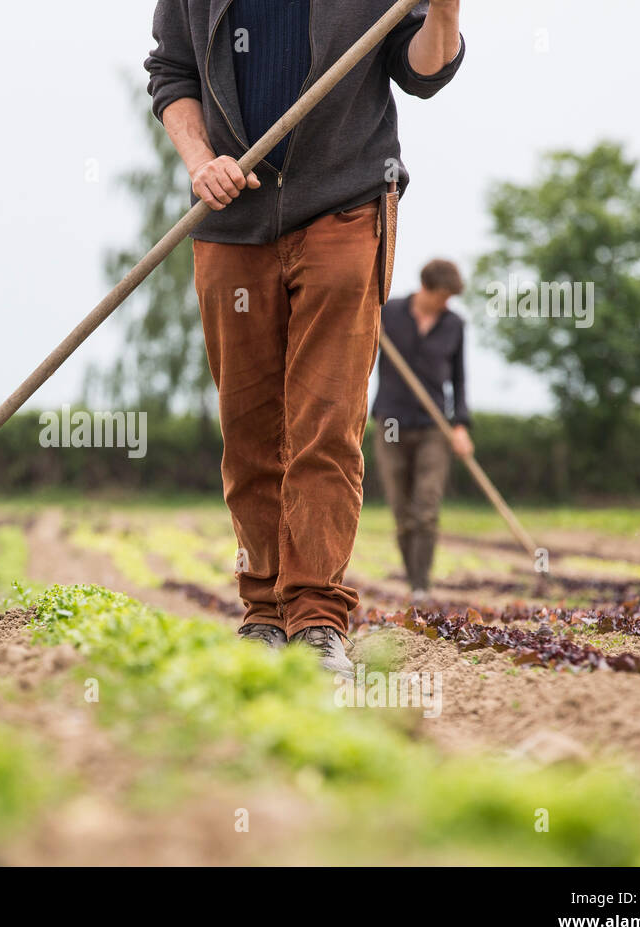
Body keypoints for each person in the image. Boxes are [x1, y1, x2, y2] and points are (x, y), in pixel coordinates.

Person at [144, 0, 465, 675]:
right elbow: (171, 74)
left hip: (344, 206)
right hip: (231, 218)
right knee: (249, 427)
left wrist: (446, 11)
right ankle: (263, 613)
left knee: (326, 420)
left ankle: (317, 617)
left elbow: (424, 72)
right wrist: (202, 161)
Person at [371, 258, 472, 603]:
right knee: (402, 511)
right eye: (443, 297)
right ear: (425, 289)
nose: (447, 304)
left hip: (434, 427)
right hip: (392, 423)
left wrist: (460, 425)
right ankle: (413, 580)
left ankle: (421, 588)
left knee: (426, 508)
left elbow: (459, 379)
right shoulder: (386, 313)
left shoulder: (454, 325)